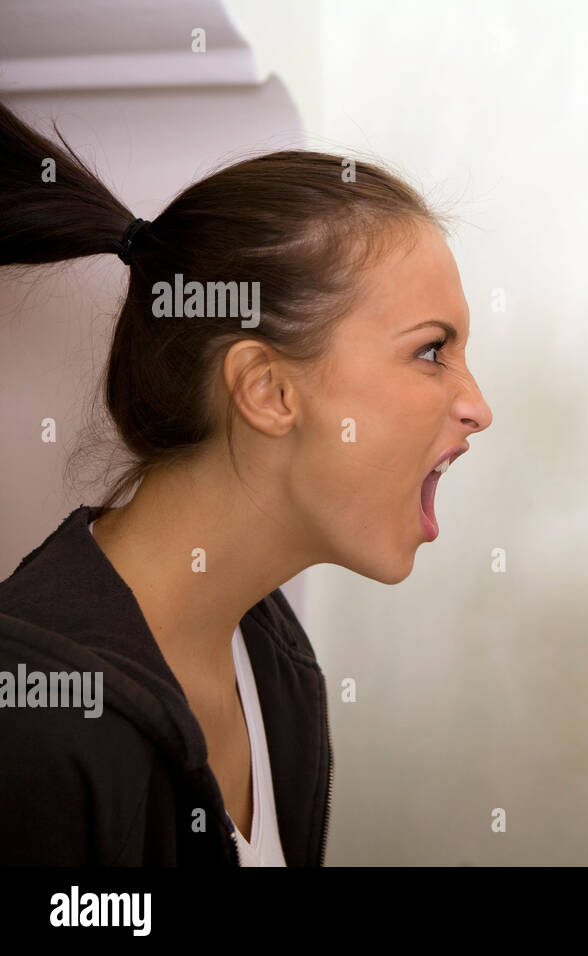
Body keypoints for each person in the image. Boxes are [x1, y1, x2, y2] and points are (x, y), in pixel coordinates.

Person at [0, 100, 492, 865]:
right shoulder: (36, 726)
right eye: (432, 352)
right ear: (267, 390)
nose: (478, 407)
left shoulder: (273, 661)